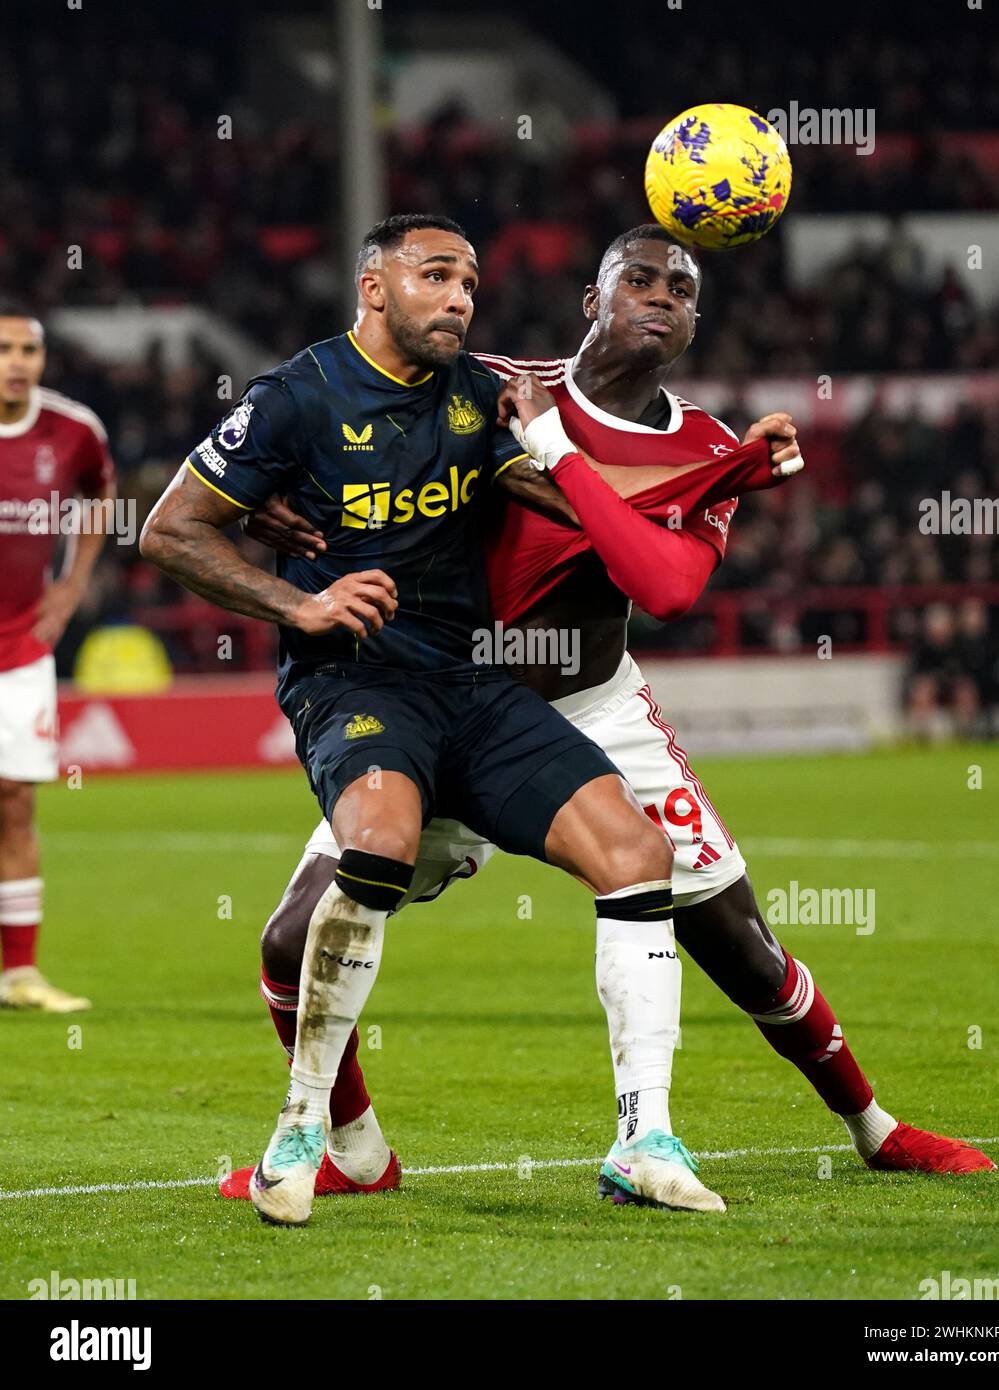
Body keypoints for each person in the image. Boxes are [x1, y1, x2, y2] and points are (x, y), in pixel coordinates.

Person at [223, 224, 993, 1209]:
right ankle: (353, 1148)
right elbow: (331, 427)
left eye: (681, 287)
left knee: (739, 943)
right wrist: (268, 503)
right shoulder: (492, 382)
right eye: (636, 277)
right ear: (588, 300)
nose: (659, 294)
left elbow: (663, 587)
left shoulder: (707, 447)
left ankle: (868, 1126)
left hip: (597, 709)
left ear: (692, 326)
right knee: (293, 938)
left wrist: (570, 451)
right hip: (445, 703)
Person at [139, 214, 780, 1224]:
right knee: (380, 844)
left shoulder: (481, 396)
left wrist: (729, 469)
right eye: (434, 275)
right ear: (373, 286)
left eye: (470, 282)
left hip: (468, 682)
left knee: (635, 852)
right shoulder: (295, 396)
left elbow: (583, 503)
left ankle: (644, 1138)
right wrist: (297, 604)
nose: (459, 297)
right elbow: (169, 527)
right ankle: (302, 1128)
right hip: (354, 683)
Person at [0, 305, 115, 1013]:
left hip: (21, 645)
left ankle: (19, 974)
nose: (17, 361)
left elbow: (102, 496)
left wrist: (73, 586)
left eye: (28, 350)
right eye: (5, 348)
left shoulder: (73, 431)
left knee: (15, 800)